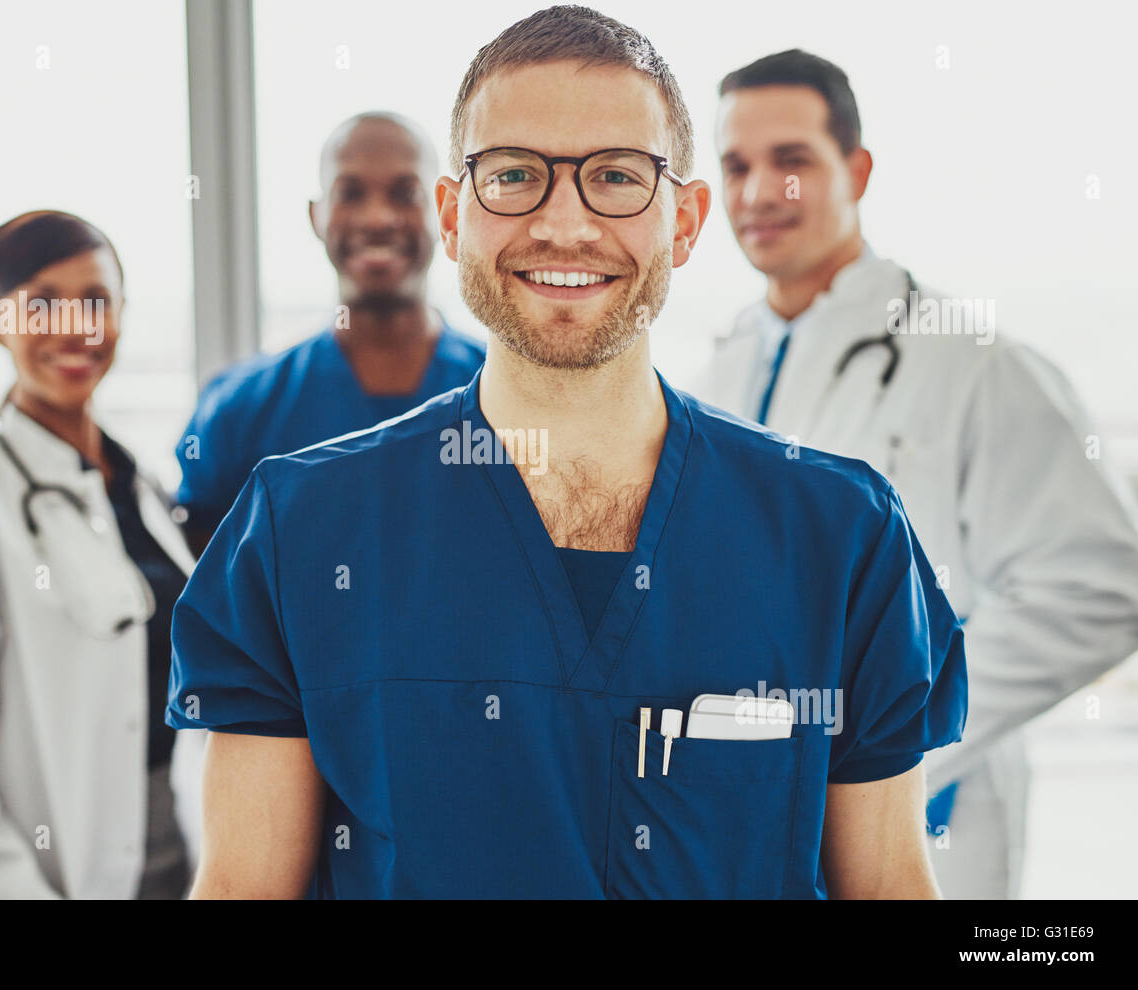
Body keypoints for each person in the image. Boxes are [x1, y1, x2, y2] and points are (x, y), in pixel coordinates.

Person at [167, 6, 966, 899]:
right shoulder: (298, 534)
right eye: (513, 175)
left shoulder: (841, 537)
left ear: (687, 222)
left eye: (618, 177)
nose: (564, 224)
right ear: (454, 215)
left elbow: (891, 884)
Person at [696, 49, 1138, 898]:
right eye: (736, 166)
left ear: (856, 170)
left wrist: (904, 732)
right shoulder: (720, 373)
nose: (758, 192)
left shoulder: (971, 363)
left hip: (936, 814)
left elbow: (1104, 588)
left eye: (791, 161)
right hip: (763, 808)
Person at [0, 211, 206, 899]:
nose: (75, 328)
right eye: (42, 303)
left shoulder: (137, 491)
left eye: (96, 301)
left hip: (182, 857)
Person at [176, 111, 486, 555]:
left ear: (446, 214)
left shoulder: (510, 403)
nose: (378, 218)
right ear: (316, 217)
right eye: (351, 193)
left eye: (404, 193)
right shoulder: (238, 413)